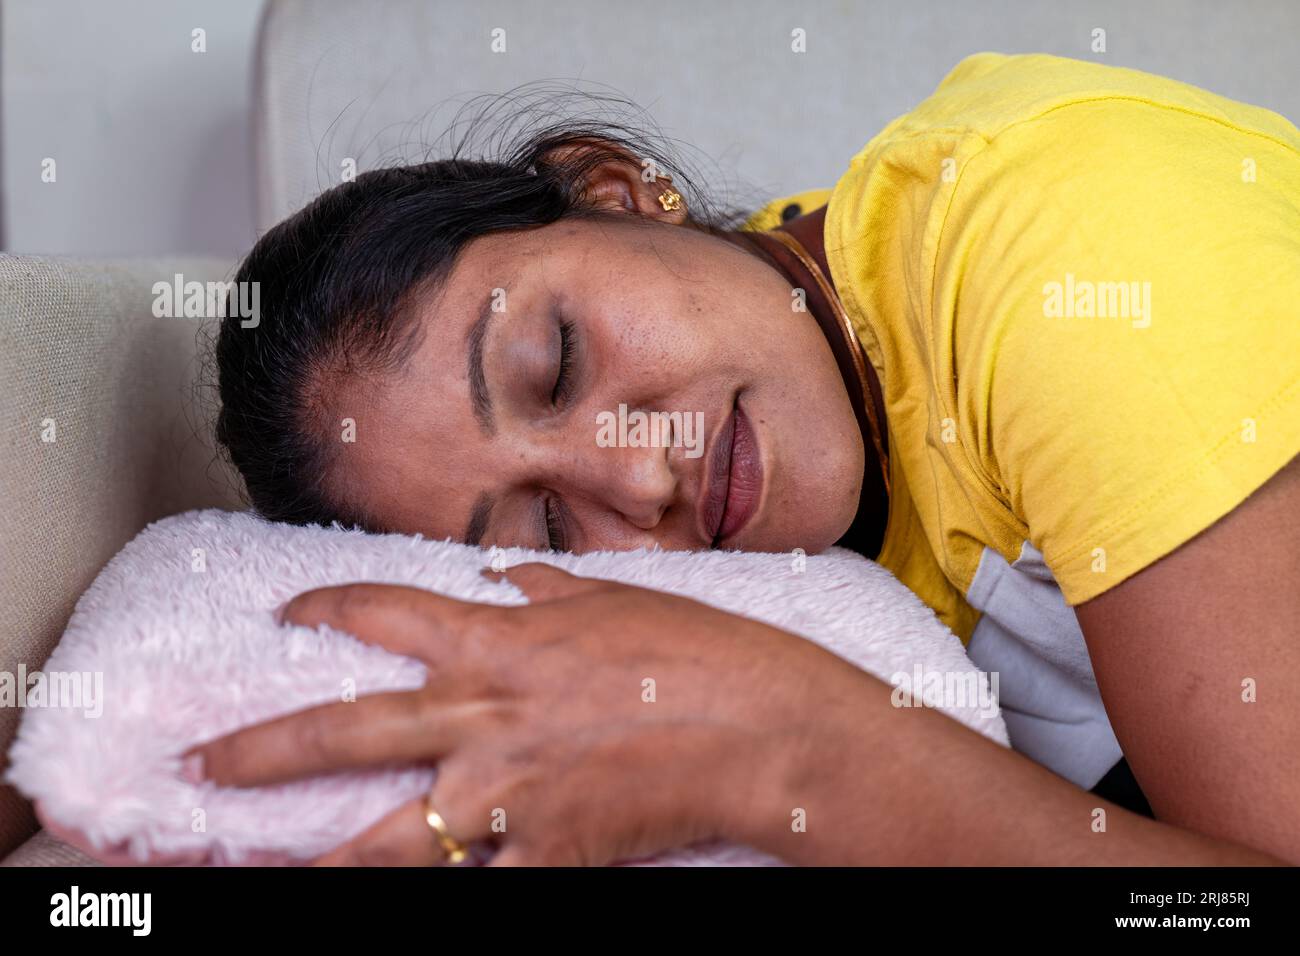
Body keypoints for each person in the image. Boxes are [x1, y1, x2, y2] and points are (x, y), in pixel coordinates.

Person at [194, 53, 1300, 865]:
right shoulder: (803, 491)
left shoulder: (1057, 249)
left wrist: (793, 747)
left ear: (615, 189)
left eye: (559, 358)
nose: (638, 476)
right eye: (546, 529)